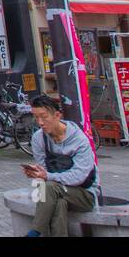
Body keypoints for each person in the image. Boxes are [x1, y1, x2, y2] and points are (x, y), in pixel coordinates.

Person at [22, 94, 98, 237]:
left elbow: (79, 176)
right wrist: (36, 174)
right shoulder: (38, 138)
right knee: (58, 203)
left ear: (57, 115)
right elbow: (42, 170)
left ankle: (35, 232)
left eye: (44, 117)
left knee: (49, 188)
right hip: (55, 191)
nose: (40, 122)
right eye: (36, 118)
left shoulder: (80, 140)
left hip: (84, 193)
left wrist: (47, 176)